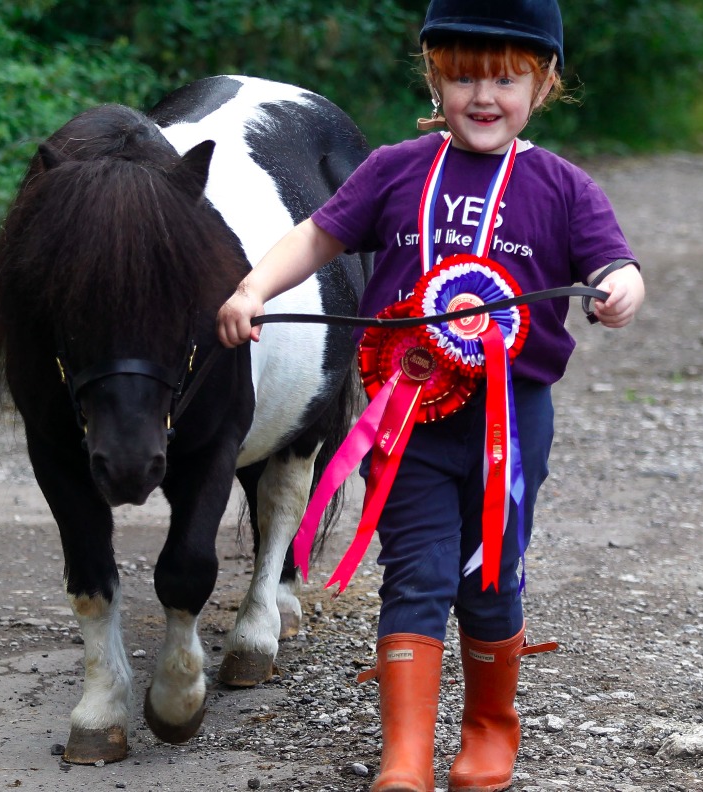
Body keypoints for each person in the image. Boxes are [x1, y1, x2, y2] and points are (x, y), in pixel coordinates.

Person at [217, 1, 644, 790]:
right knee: (413, 573)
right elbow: (319, 236)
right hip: (404, 417)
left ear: (544, 84)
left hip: (510, 428)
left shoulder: (563, 187)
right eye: (463, 76)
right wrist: (253, 287)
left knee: (490, 575)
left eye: (507, 79)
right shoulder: (394, 168)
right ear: (435, 78)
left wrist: (621, 287)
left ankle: (488, 729)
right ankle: (405, 754)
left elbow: (617, 263)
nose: (485, 96)